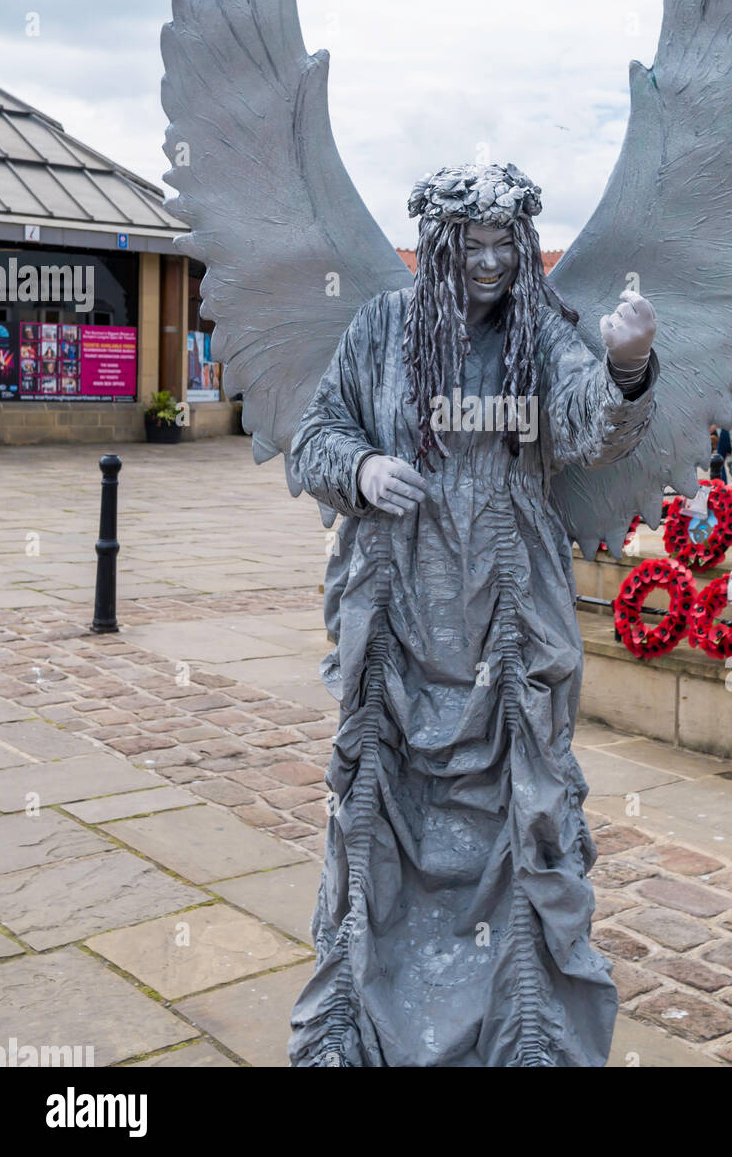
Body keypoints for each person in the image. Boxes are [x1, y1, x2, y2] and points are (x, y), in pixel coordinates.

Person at [286, 164, 660, 1068]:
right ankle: (361, 1022)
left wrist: (626, 364)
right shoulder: (378, 327)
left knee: (517, 800)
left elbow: (584, 426)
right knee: (386, 796)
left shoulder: (541, 329)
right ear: (440, 246)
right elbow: (316, 434)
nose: (490, 263)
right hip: (402, 596)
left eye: (506, 244)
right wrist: (365, 470)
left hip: (506, 604)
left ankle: (521, 1030)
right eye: (473, 245)